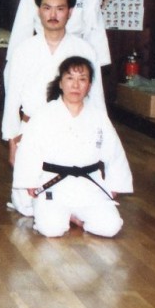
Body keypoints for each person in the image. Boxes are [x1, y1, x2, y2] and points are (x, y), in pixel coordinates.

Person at [3, 0, 105, 216]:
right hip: (30, 127)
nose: (53, 14)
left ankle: (63, 210)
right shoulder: (24, 50)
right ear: (38, 10)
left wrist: (98, 140)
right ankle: (58, 209)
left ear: (70, 12)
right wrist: (11, 139)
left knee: (73, 190)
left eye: (60, 8)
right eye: (47, 7)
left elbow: (97, 99)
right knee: (25, 204)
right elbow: (12, 99)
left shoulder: (84, 50)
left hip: (72, 128)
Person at [14, 56, 132, 238]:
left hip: (89, 183)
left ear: (89, 85)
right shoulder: (44, 115)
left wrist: (115, 183)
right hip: (53, 183)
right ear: (60, 83)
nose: (76, 85)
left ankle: (76, 216)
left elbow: (115, 153)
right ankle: (67, 215)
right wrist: (29, 180)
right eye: (70, 78)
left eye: (82, 79)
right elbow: (28, 151)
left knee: (110, 227)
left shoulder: (98, 117)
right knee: (51, 229)